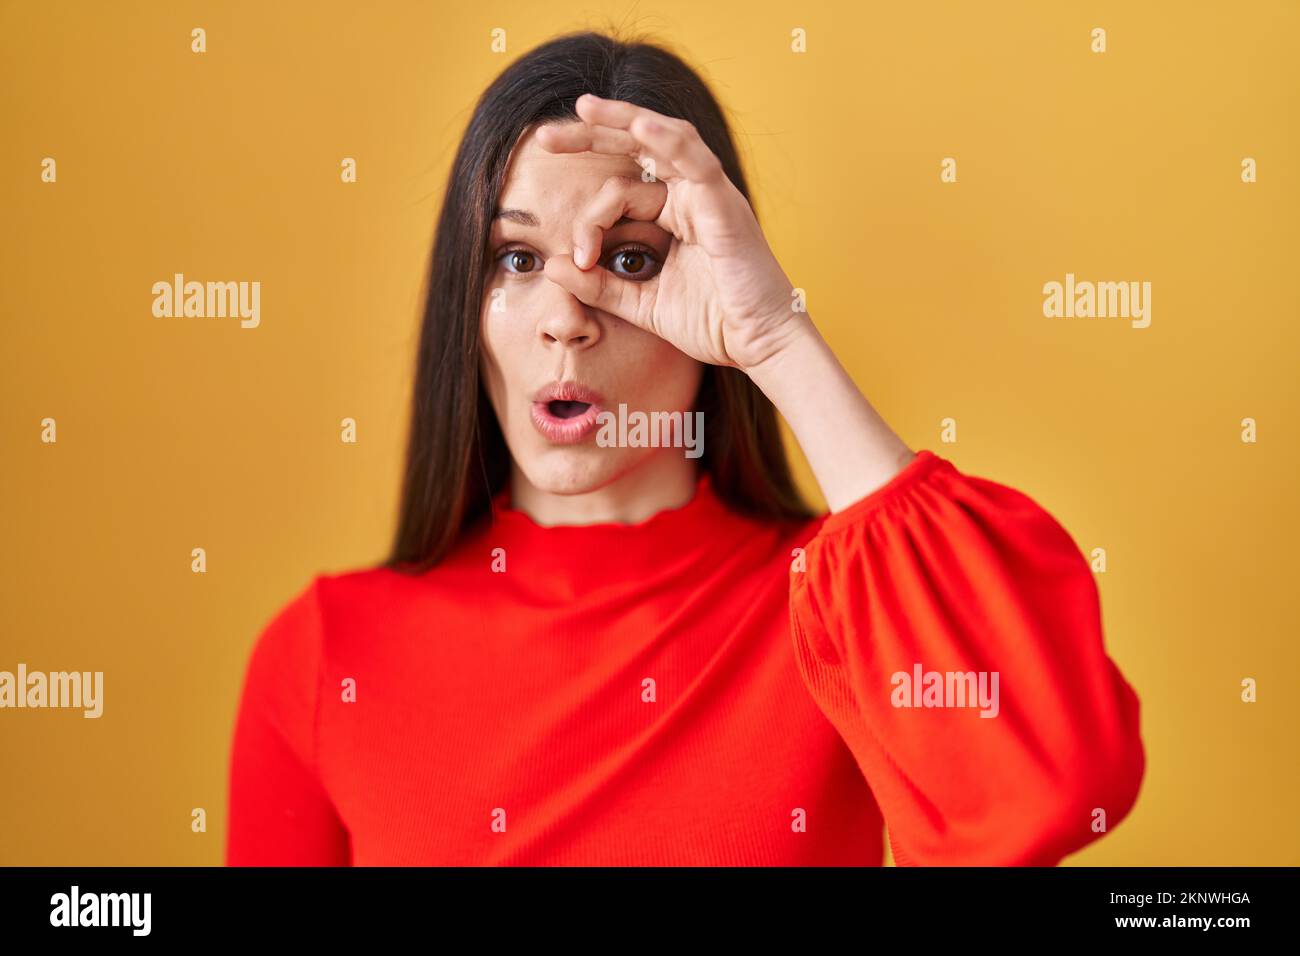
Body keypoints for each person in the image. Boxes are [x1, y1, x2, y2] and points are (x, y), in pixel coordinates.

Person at [226, 30, 1144, 866]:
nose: (564, 320)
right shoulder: (325, 659)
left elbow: (1052, 788)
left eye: (629, 259)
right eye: (515, 259)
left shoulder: (828, 616)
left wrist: (776, 338)